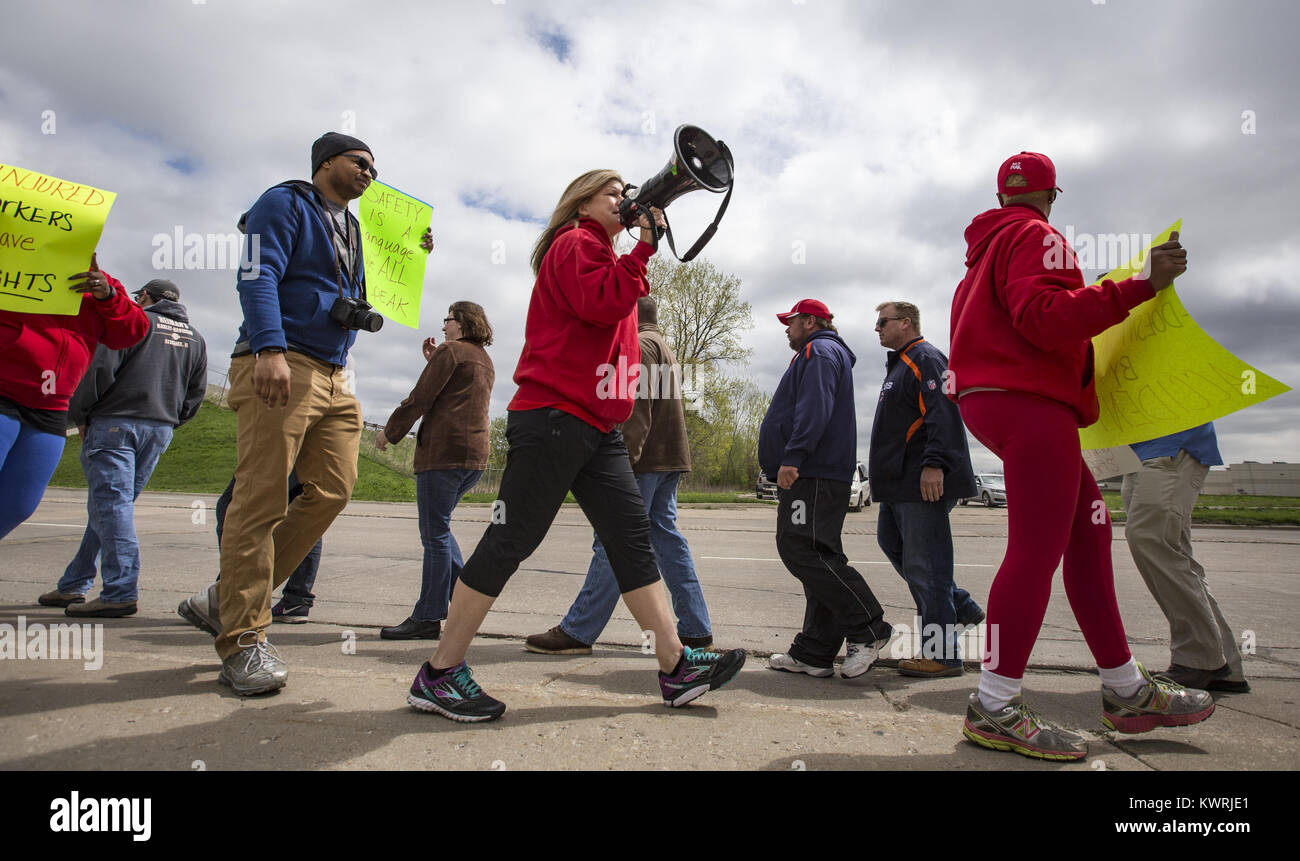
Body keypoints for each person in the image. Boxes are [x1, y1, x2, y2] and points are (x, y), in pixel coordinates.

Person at [404, 169, 745, 722]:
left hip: (596, 425)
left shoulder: (605, 252)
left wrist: (637, 250)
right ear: (581, 204)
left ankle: (676, 664)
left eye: (626, 192)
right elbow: (600, 304)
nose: (624, 199)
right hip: (555, 417)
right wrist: (641, 253)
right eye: (612, 193)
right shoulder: (574, 243)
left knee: (632, 539)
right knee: (510, 538)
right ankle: (439, 674)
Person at [948, 151, 1213, 761]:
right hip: (1033, 403)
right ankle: (993, 706)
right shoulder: (1039, 236)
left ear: (1001, 194)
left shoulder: (983, 252)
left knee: (1088, 534)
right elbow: (1045, 318)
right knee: (1035, 552)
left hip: (995, 402)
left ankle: (1125, 688)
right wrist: (1143, 286)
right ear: (1052, 194)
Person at [178, 132, 427, 696]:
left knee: (334, 489)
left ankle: (225, 598)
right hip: (283, 358)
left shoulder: (356, 228)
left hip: (337, 373)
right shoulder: (285, 202)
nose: (370, 171)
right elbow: (257, 273)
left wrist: (413, 251)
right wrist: (267, 347)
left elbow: (364, 289)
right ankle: (242, 640)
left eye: (374, 166)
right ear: (326, 162)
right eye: (360, 161)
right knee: (260, 498)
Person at [524, 295, 714, 655]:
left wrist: (621, 466)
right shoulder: (662, 345)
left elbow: (636, 414)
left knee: (613, 542)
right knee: (667, 541)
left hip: (642, 463)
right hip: (668, 459)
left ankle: (578, 631)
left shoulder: (640, 345)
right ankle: (696, 629)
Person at [37, 279, 207, 617]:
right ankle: (74, 583)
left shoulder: (135, 322)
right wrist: (170, 421)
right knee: (112, 507)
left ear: (145, 297)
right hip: (159, 430)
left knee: (112, 507)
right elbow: (195, 393)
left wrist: (81, 414)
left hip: (115, 424)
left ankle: (119, 591)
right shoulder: (197, 340)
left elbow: (100, 370)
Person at [759, 299, 893, 680]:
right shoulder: (816, 352)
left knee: (800, 548)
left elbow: (814, 406)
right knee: (817, 553)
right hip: (816, 472)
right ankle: (815, 652)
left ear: (811, 322)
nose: (787, 328)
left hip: (813, 473)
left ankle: (869, 628)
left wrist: (794, 456)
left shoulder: (819, 351)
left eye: (791, 322)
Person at [868, 300, 982, 678]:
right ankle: (960, 605)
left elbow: (943, 411)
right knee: (895, 545)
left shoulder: (926, 358)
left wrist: (935, 464)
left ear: (905, 323)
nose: (877, 329)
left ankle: (942, 655)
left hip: (922, 483)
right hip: (899, 486)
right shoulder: (900, 363)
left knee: (927, 567)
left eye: (883, 322)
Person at [1, 254, 149, 540]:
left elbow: (131, 332)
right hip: (5, 390)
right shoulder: (11, 263)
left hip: (50, 406)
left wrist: (108, 296)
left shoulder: (97, 282)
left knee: (18, 505)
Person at [376, 300, 495, 640]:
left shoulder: (452, 351)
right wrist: (435, 362)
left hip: (443, 454)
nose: (443, 327)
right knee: (440, 530)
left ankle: (428, 616)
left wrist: (390, 432)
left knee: (434, 536)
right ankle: (464, 603)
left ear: (463, 322)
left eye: (448, 320)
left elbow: (421, 398)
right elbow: (455, 392)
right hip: (473, 457)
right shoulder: (483, 359)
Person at [1123, 422, 1248, 692]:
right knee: (1174, 555)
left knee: (1151, 539)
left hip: (1170, 446)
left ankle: (1199, 659)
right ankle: (1222, 664)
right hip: (1137, 450)